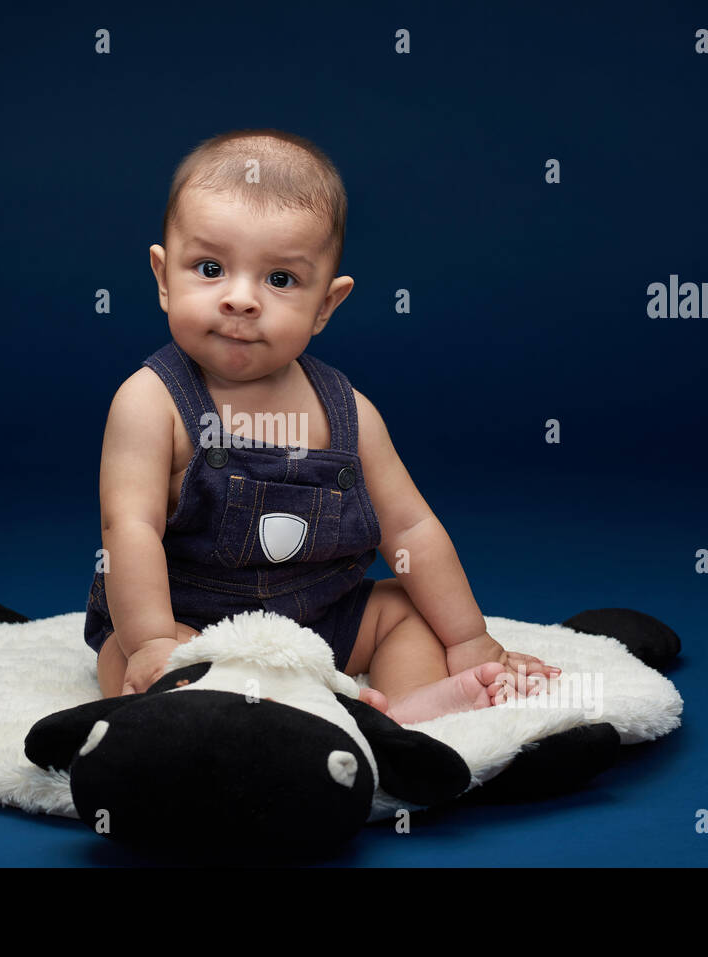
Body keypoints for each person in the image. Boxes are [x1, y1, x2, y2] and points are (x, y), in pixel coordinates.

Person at [83, 128, 560, 724]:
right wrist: (154, 641)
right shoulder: (150, 401)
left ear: (326, 305)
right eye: (209, 268)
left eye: (280, 279)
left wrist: (469, 640)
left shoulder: (347, 412)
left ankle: (402, 718)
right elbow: (128, 527)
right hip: (194, 622)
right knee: (123, 660)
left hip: (322, 619)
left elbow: (410, 528)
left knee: (404, 613)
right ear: (162, 276)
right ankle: (230, 716)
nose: (240, 299)